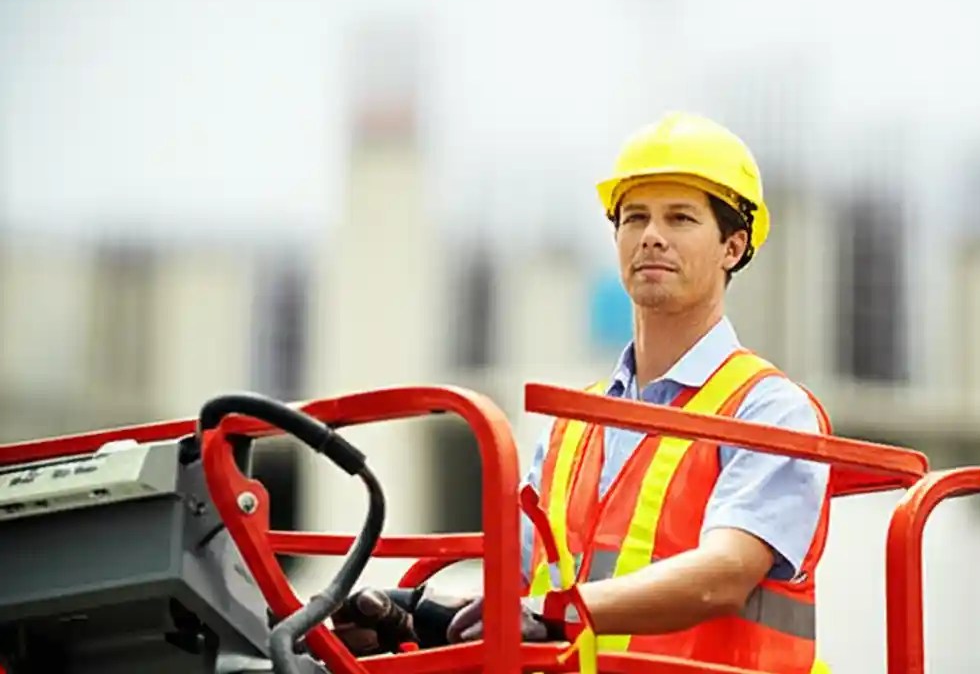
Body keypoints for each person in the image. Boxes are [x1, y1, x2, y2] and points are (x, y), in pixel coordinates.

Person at [332, 112, 834, 673]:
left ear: (733, 247)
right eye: (635, 217)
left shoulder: (769, 410)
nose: (651, 235)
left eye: (681, 218)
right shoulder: (574, 426)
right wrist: (416, 618)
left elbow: (725, 576)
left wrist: (554, 614)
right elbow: (516, 590)